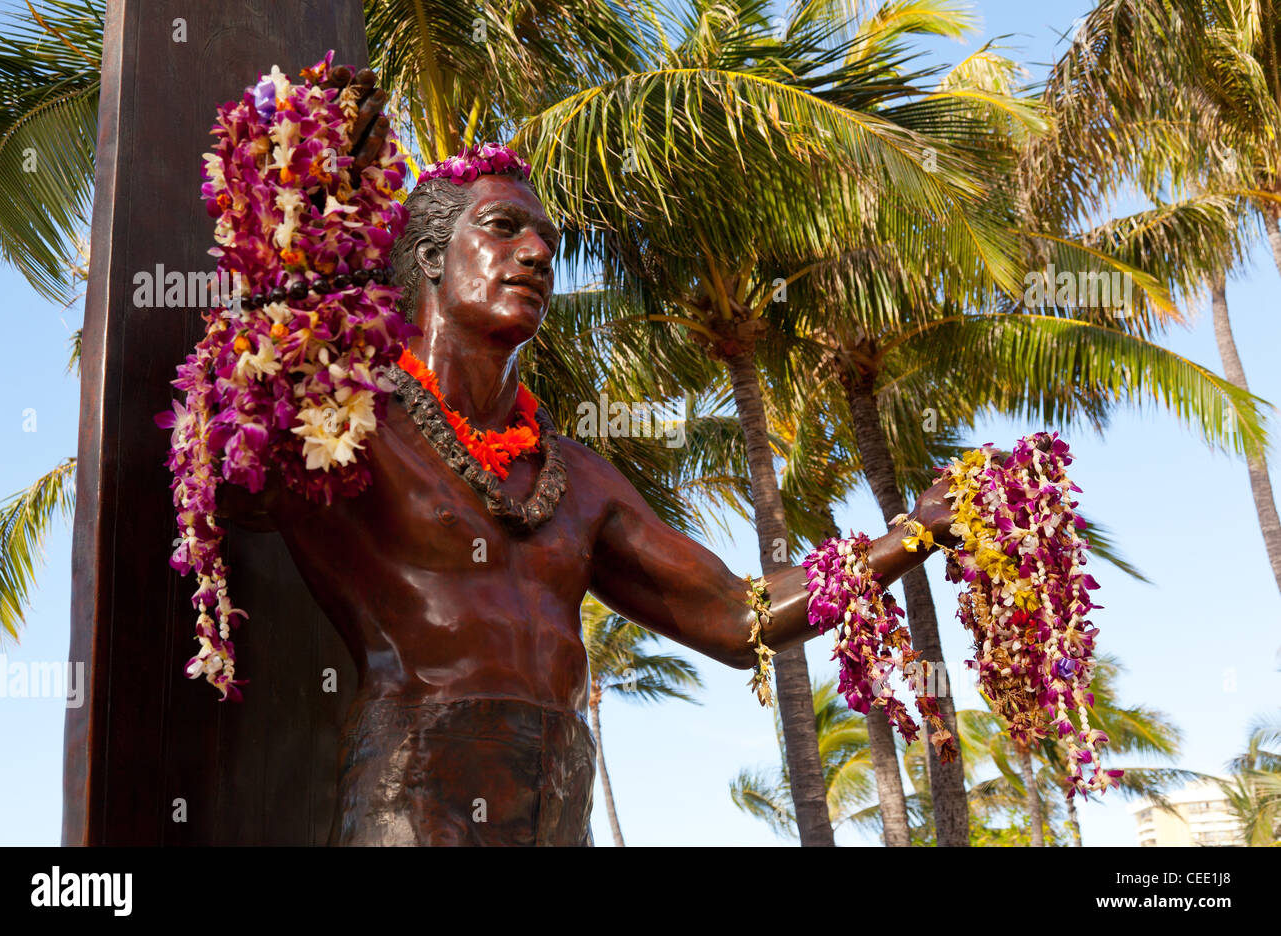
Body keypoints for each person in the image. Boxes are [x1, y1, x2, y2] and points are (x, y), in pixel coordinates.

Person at [216, 66, 957, 845]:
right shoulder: (353, 422)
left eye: (548, 241)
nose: (536, 254)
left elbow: (738, 619)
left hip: (561, 805)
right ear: (431, 256)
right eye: (503, 228)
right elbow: (240, 487)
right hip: (412, 799)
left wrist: (920, 529)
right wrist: (295, 194)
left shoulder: (577, 478)